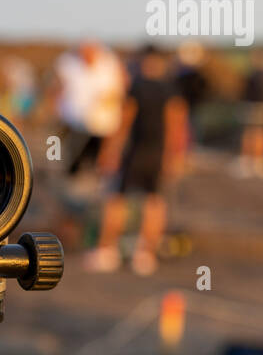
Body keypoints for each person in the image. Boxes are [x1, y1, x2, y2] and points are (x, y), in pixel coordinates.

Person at [85, 45, 185, 276]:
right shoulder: (171, 88)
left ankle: (107, 251)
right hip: (158, 153)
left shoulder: (136, 87)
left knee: (116, 200)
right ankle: (145, 255)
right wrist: (174, 156)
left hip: (136, 151)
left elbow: (124, 121)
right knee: (154, 201)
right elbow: (176, 125)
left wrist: (110, 151)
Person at [49, 41, 126, 174]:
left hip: (102, 123)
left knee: (95, 154)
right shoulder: (69, 65)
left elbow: (118, 93)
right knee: (72, 152)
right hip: (74, 120)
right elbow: (58, 86)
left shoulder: (109, 66)